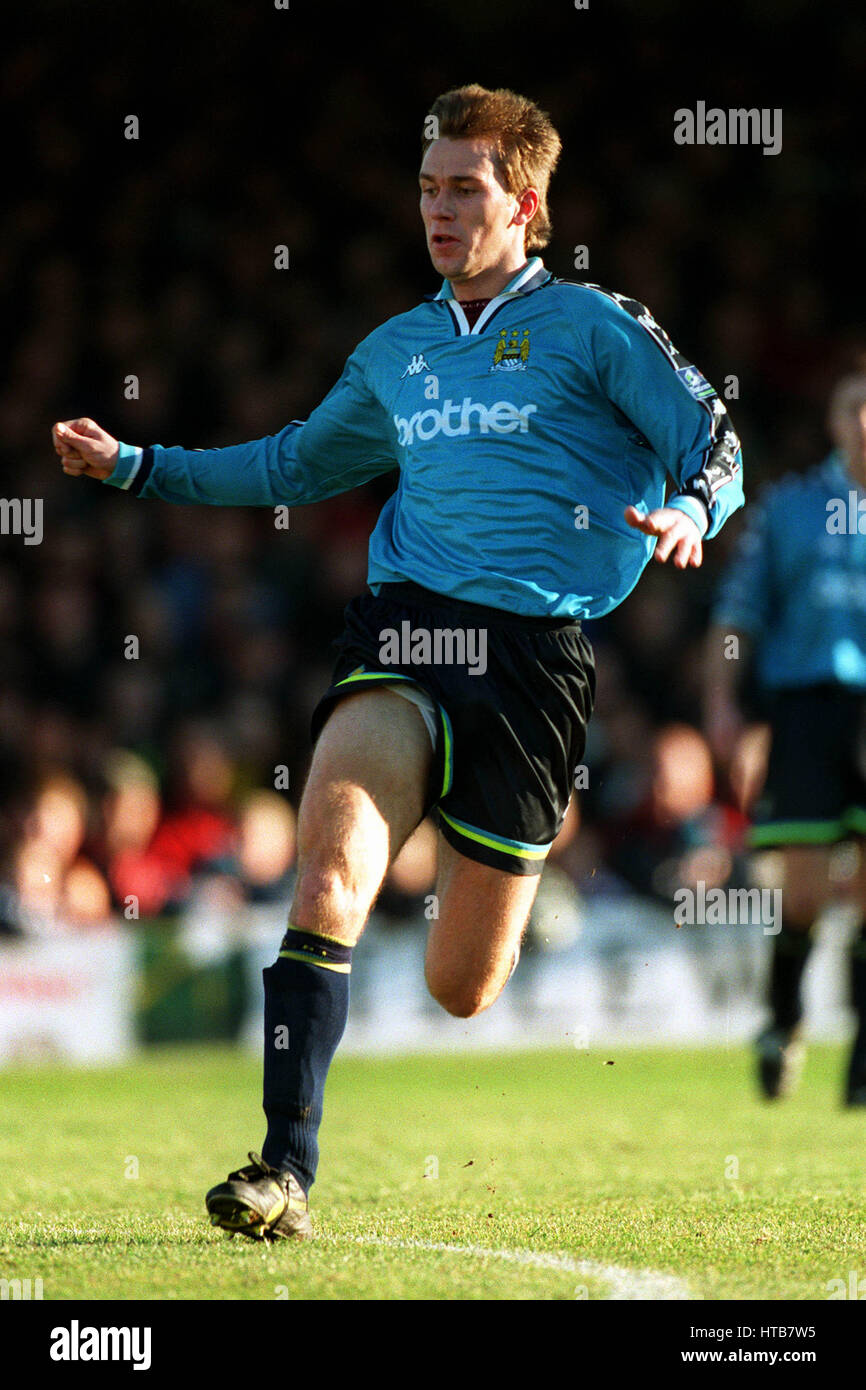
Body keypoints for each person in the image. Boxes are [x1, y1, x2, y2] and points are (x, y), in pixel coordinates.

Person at [52, 84, 744, 1240]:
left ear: (523, 204)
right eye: (425, 186)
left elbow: (711, 438)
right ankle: (283, 1166)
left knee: (459, 986)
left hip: (534, 660)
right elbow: (287, 467)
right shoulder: (396, 350)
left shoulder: (591, 325)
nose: (435, 208)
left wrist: (691, 512)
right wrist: (137, 466)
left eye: (462, 188)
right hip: (405, 632)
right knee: (326, 876)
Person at [705, 373, 866, 1105]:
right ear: (834, 420)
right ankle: (783, 1020)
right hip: (804, 712)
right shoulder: (792, 507)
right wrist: (724, 706)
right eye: (853, 407)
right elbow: (739, 614)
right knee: (801, 896)